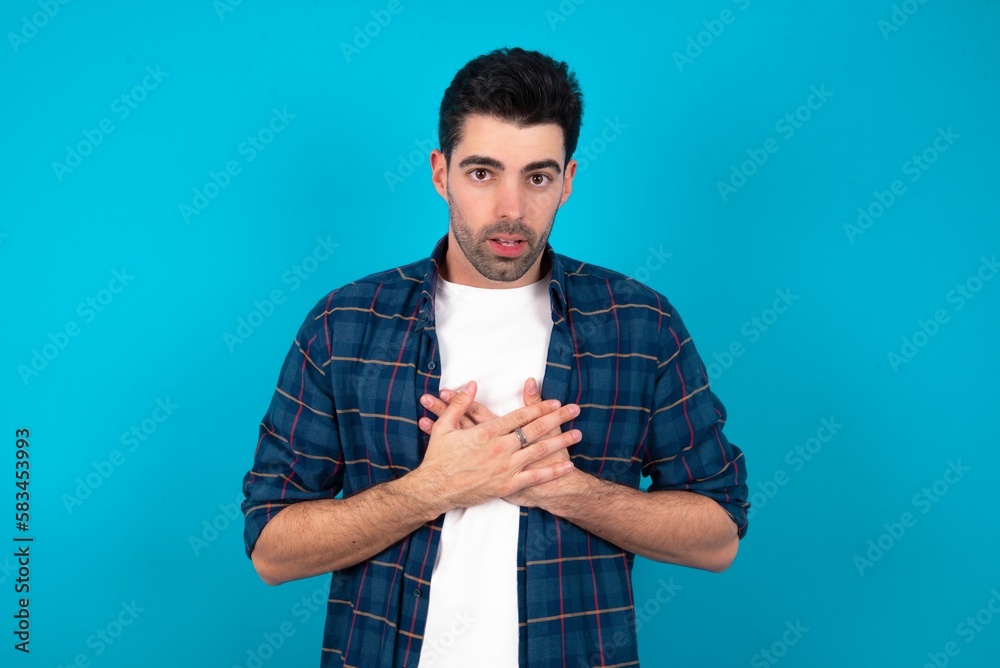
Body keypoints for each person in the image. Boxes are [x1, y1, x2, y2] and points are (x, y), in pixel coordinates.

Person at [241, 46, 749, 667]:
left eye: (537, 176)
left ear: (567, 180)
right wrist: (432, 489)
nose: (511, 208)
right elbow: (271, 547)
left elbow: (719, 536)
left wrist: (566, 490)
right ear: (440, 171)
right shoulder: (345, 325)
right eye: (482, 172)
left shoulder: (639, 325)